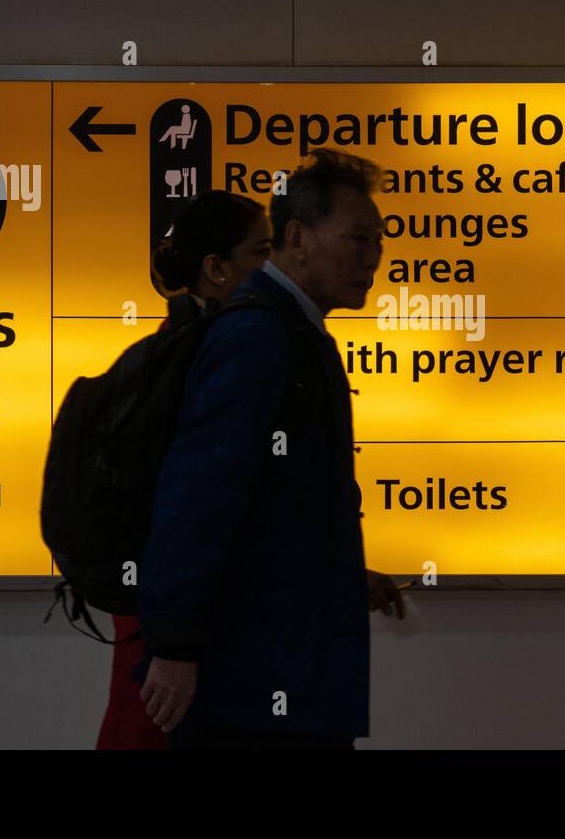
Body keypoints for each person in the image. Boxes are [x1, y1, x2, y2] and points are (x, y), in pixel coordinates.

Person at [137, 148, 406, 750]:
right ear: (297, 237)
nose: (375, 255)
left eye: (379, 240)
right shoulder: (258, 335)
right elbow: (199, 493)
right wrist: (176, 647)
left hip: (283, 673)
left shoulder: (294, 332)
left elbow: (276, 504)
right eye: (358, 238)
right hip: (254, 687)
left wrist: (338, 575)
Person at [95, 189, 271, 751]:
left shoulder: (171, 353)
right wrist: (177, 644)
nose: (276, 266)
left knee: (138, 729)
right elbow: (198, 503)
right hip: (184, 614)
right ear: (216, 269)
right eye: (261, 251)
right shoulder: (213, 360)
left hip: (160, 607)